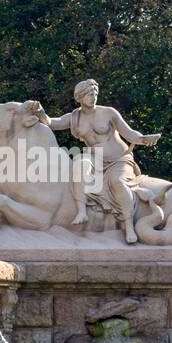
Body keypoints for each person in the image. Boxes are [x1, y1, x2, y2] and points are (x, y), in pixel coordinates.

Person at [25, 79, 161, 244]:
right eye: (89, 94)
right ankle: (81, 211)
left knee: (118, 182)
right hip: (95, 158)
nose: (93, 96)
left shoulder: (108, 112)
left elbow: (130, 133)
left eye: (95, 93)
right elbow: (53, 123)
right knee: (79, 164)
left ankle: (128, 225)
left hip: (118, 159)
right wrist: (40, 112)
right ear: (80, 97)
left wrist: (143, 139)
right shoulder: (74, 117)